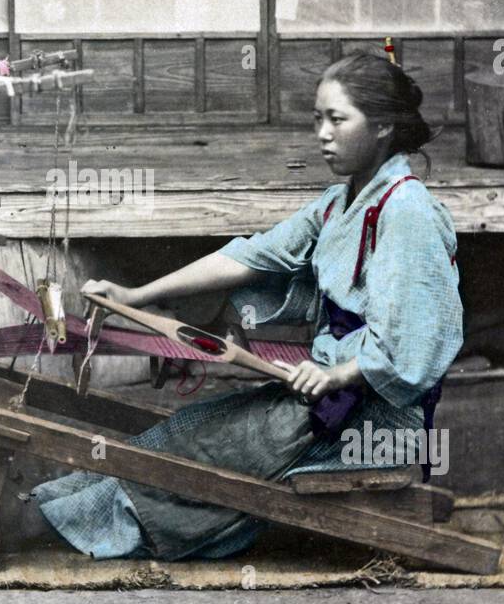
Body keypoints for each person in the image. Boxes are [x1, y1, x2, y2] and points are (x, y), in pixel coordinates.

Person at [28, 48, 464, 562]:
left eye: (337, 119)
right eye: (317, 119)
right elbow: (253, 254)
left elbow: (416, 344)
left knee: (200, 456)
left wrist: (340, 374)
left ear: (384, 126)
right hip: (322, 395)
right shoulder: (340, 201)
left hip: (370, 420)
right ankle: (52, 512)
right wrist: (138, 296)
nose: (322, 133)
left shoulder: (406, 212)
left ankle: (46, 525)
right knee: (184, 431)